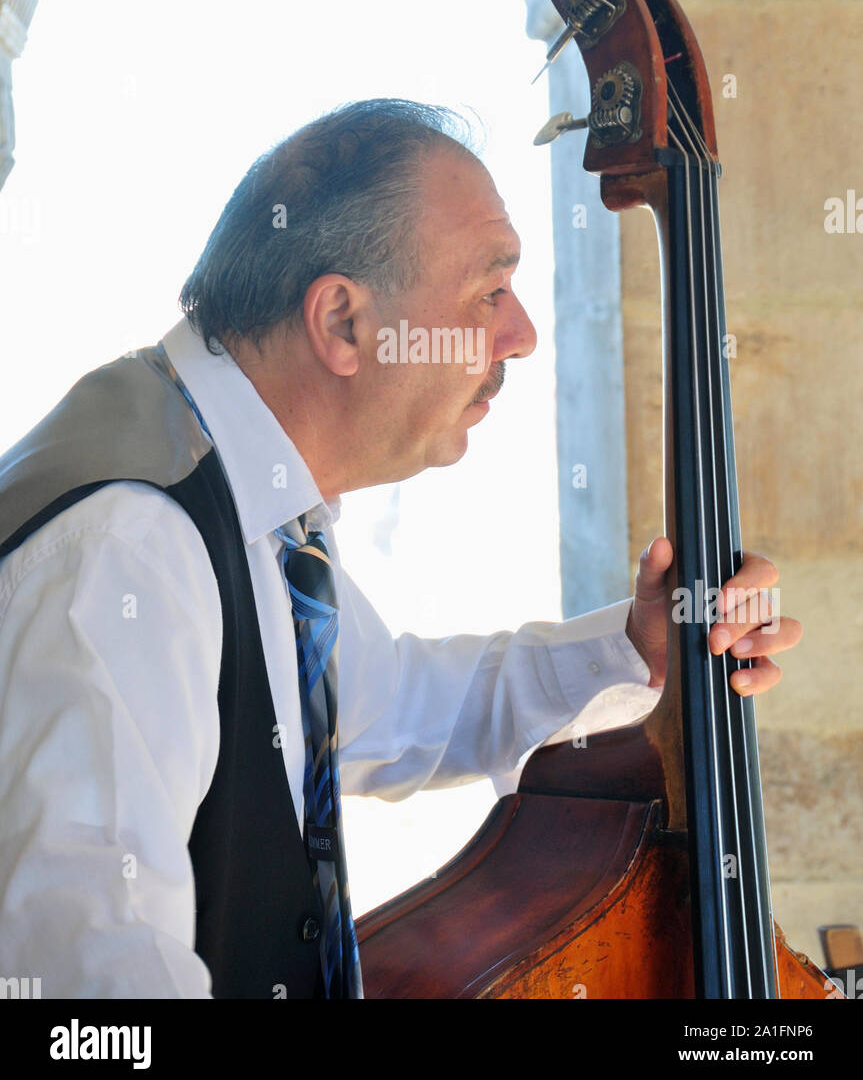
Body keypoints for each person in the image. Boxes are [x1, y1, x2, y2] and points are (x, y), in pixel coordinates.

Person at [0, 99, 799, 999]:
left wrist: (634, 648)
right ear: (342, 322)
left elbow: (389, 709)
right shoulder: (129, 551)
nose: (522, 334)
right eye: (487, 293)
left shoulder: (239, 490)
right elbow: (90, 988)